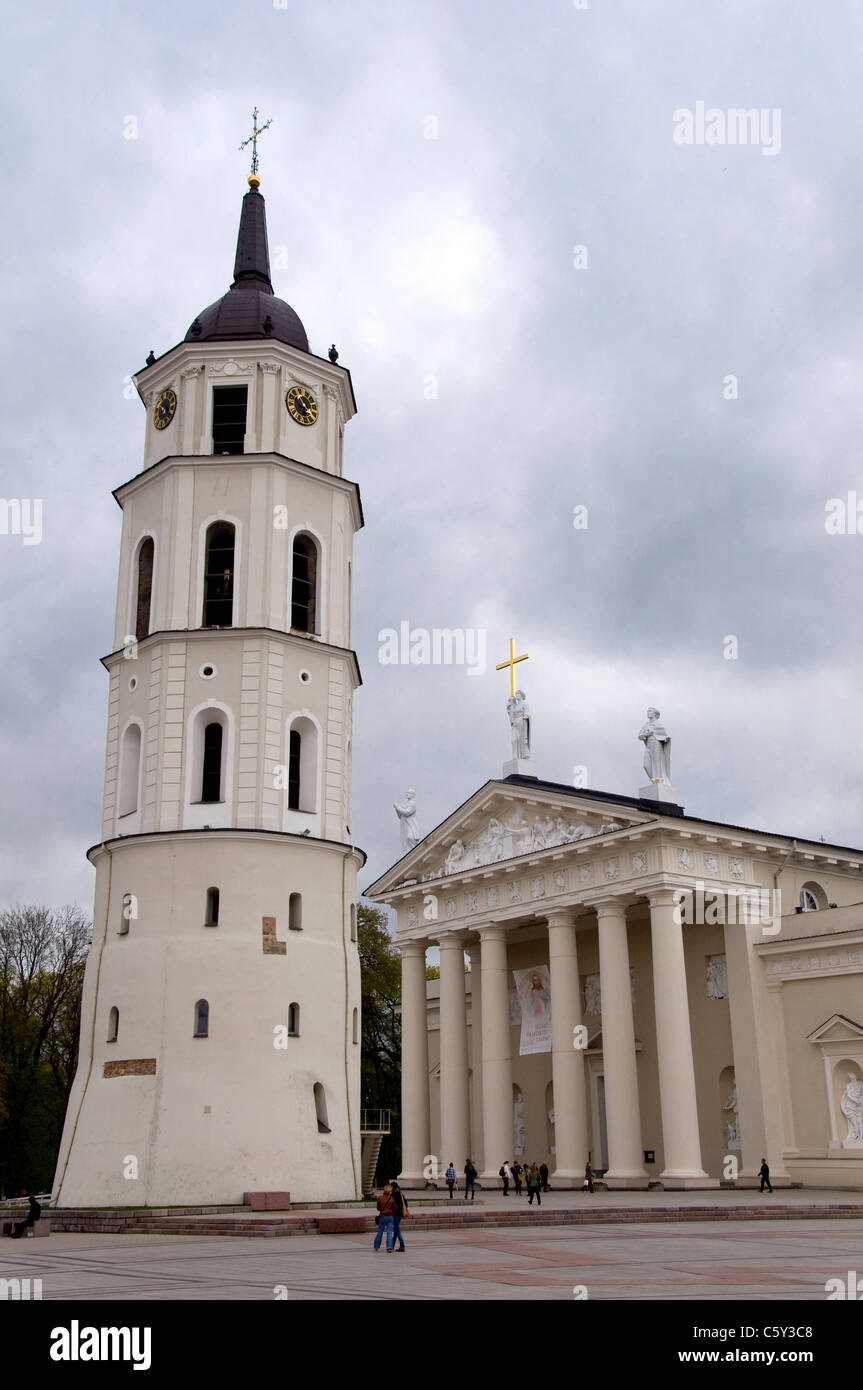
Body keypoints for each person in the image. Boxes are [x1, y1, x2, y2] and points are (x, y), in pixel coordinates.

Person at [373, 1184, 397, 1251]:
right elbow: (395, 1208)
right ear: (390, 1191)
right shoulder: (391, 1198)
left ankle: (376, 1246)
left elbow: (378, 1208)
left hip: (382, 1217)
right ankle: (389, 1247)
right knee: (389, 1232)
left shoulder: (380, 1198)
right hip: (390, 1217)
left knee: (380, 1232)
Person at [390, 1180, 408, 1252]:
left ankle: (402, 1245)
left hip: (395, 1215)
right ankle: (392, 1245)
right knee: (396, 1230)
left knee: (397, 1230)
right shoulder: (401, 1194)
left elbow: (392, 1206)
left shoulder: (392, 1195)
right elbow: (406, 1204)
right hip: (400, 1214)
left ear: (393, 1187)